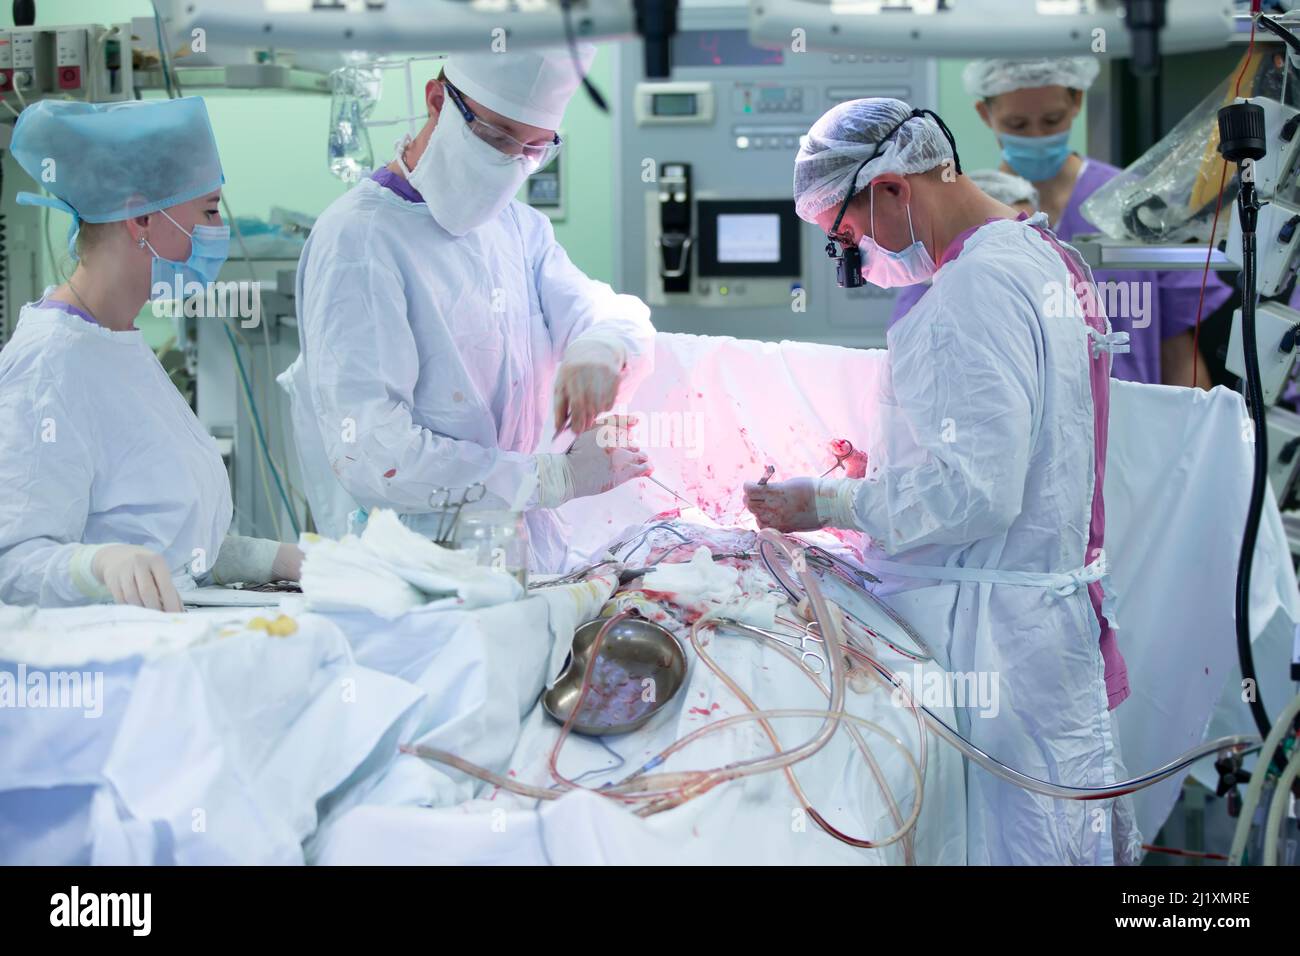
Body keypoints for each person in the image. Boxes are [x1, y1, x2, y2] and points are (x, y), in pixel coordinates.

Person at [746, 97, 1140, 865]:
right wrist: (888, 473)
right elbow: (1026, 452)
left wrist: (827, 502)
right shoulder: (1033, 254)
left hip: (994, 644)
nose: (859, 258)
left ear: (893, 188)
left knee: (1008, 842)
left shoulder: (972, 291)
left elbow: (978, 492)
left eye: (850, 235)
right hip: (1039, 626)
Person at [282, 45, 654, 570]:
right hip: (418, 570)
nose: (513, 163)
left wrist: (601, 345)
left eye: (535, 148)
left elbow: (614, 314)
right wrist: (551, 477)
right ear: (438, 99)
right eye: (499, 137)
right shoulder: (361, 241)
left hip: (529, 559)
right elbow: (371, 450)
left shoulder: (519, 229)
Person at [0, 98, 302, 610]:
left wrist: (272, 560)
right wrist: (99, 566)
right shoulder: (49, 363)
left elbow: (167, 546)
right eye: (208, 211)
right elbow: (12, 567)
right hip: (106, 672)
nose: (217, 233)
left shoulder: (116, 343)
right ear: (140, 217)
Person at [890, 56, 1233, 387]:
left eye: (1052, 120)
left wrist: (1191, 436)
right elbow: (919, 347)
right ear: (985, 113)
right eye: (1017, 125)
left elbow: (1179, 351)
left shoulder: (1132, 204)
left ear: (1076, 102)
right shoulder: (957, 220)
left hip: (1132, 428)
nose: (1036, 136)